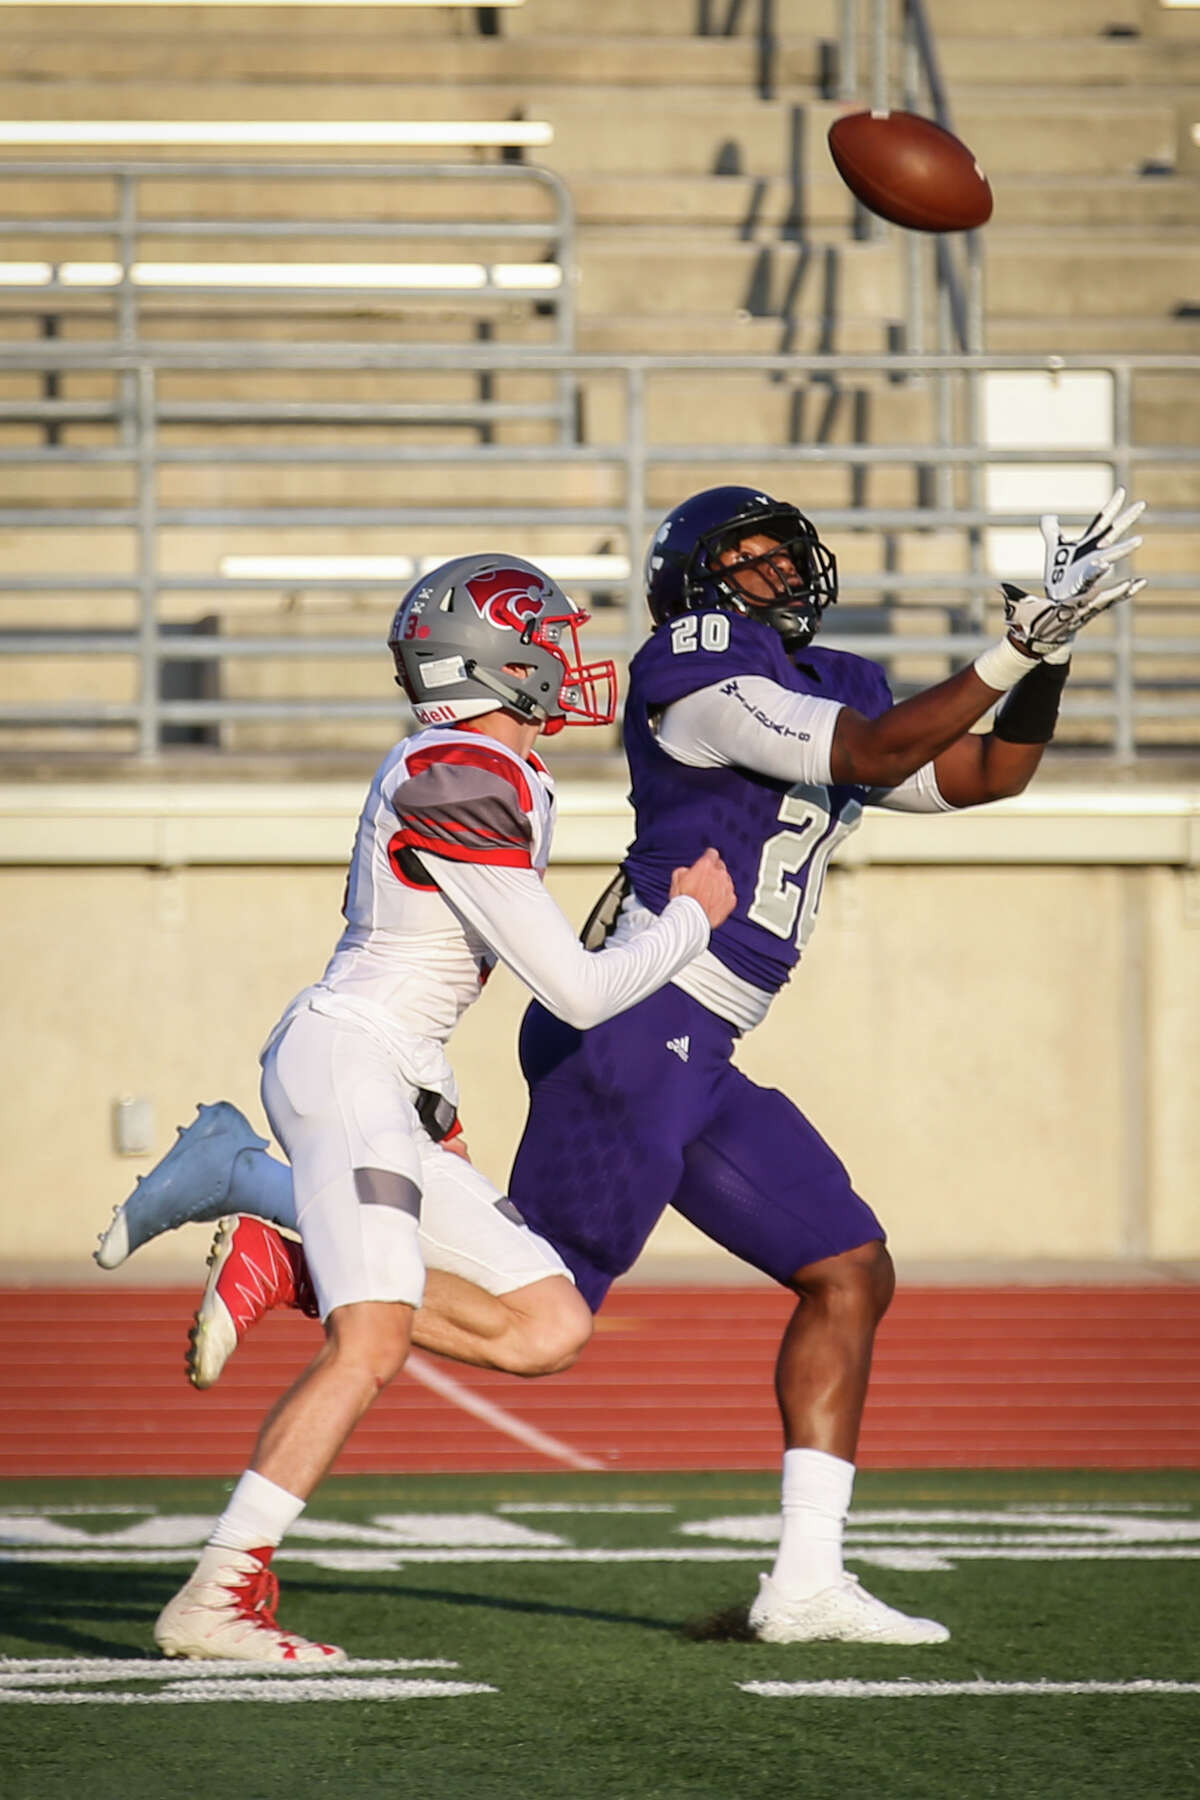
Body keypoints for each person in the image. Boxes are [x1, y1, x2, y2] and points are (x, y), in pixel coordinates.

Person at [101, 486, 1144, 1647]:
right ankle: (301, 1250)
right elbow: (872, 749)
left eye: (780, 559)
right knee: (542, 1321)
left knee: (849, 1270)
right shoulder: (689, 673)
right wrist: (1011, 643)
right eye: (748, 563)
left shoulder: (827, 680)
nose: (777, 578)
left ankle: (805, 1581)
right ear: (700, 584)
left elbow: (982, 774)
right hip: (641, 1026)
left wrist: (1049, 653)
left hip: (701, 1036)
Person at [141, 551, 736, 1665]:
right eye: (546, 641)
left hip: (394, 1073)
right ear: (494, 659)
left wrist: (441, 1107)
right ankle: (218, 1595)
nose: (566, 663)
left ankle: (282, 1239)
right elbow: (579, 986)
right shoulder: (457, 769)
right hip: (346, 1061)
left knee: (549, 1326)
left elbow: (438, 964)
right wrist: (693, 918)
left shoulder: (491, 770)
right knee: (367, 1346)